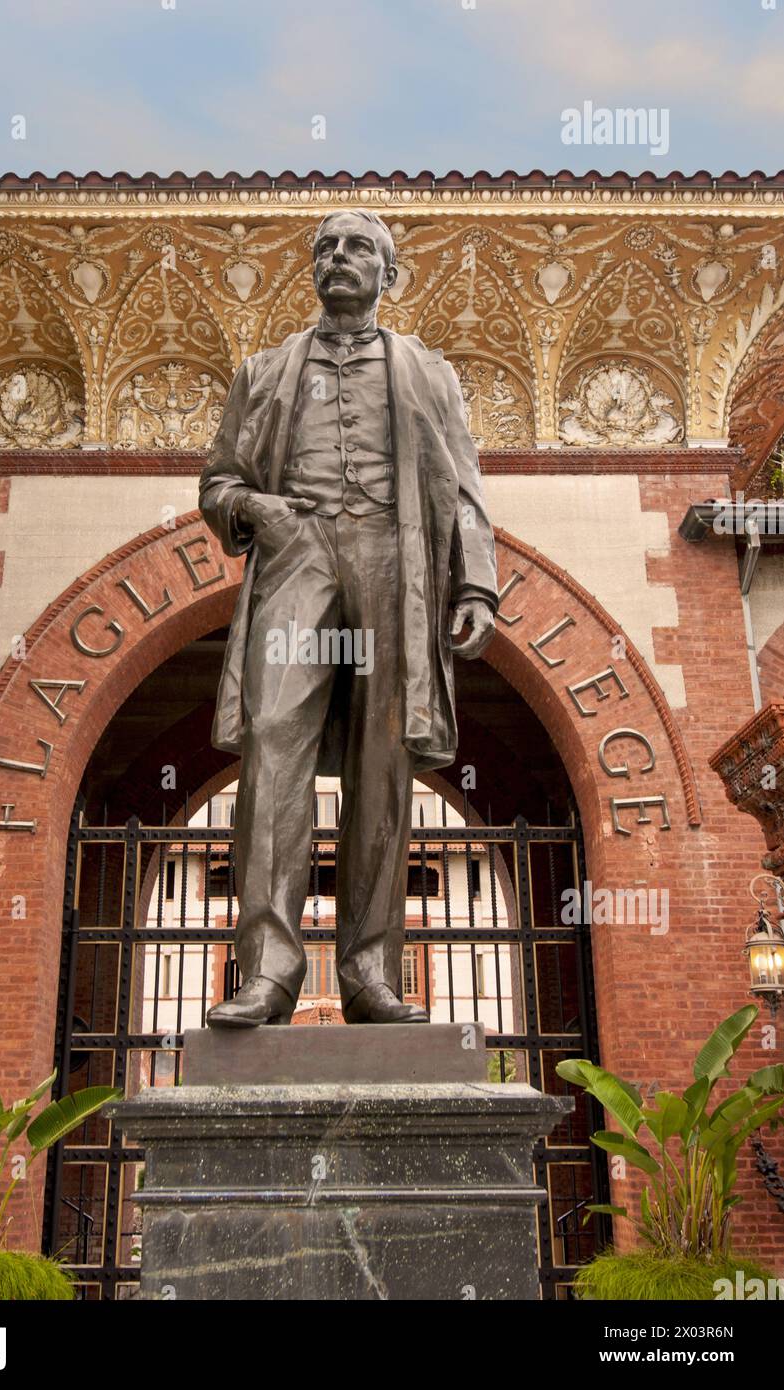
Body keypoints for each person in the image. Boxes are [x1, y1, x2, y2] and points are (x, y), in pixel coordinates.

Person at [198, 210, 498, 1026]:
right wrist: (260, 508)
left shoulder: (428, 373)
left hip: (391, 560)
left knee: (383, 763)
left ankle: (370, 973)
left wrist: (475, 586)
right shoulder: (263, 371)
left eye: (358, 247)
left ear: (386, 274)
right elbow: (217, 486)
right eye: (325, 247)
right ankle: (266, 973)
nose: (339, 258)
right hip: (296, 558)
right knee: (272, 749)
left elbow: (463, 488)